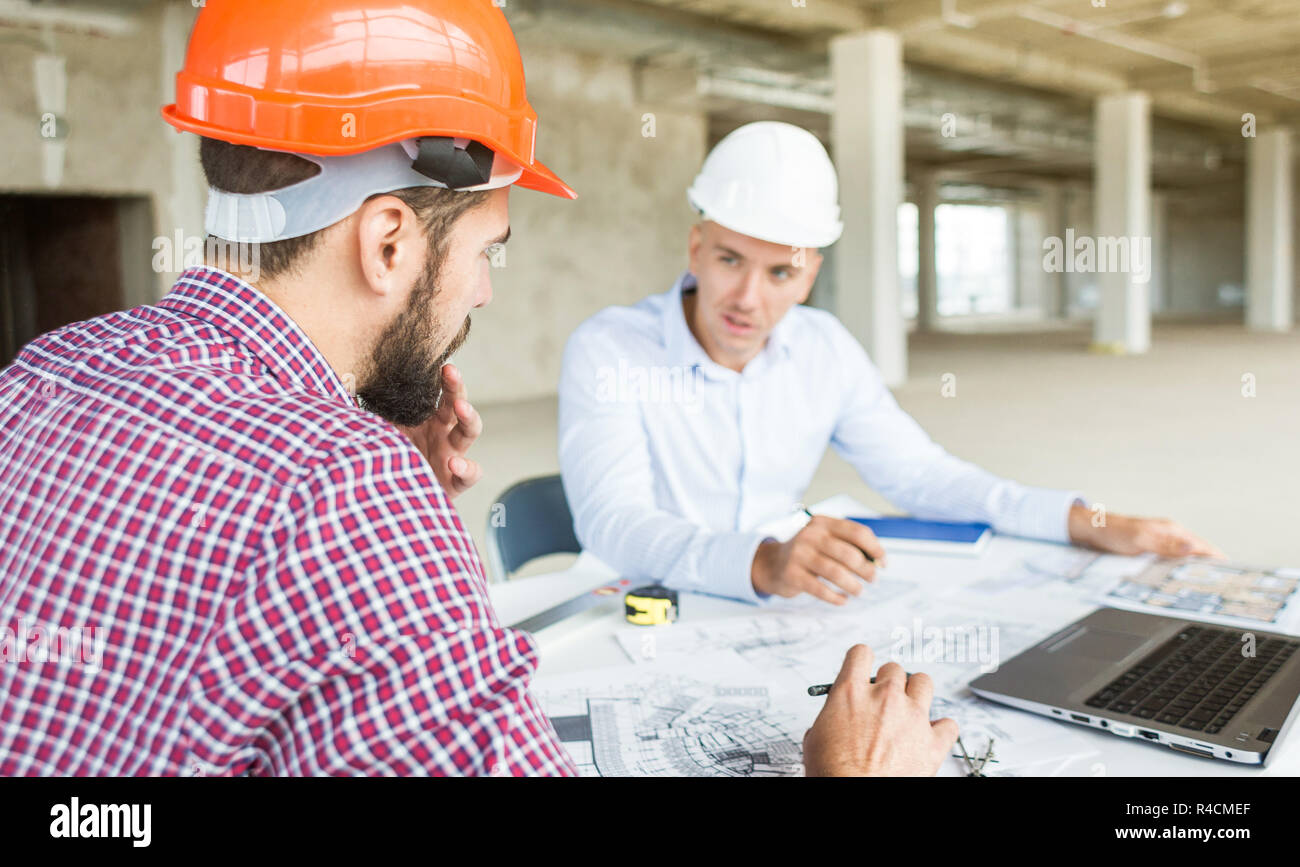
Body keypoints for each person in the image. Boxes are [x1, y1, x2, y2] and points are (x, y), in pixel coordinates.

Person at [0, 2, 949, 777]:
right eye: (488, 249)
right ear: (387, 243)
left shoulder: (41, 371)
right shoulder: (343, 490)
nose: (487, 290)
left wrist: (393, 517)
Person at [558, 120, 1222, 608]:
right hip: (637, 608)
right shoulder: (611, 348)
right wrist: (761, 560)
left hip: (778, 608)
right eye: (730, 259)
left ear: (811, 271)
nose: (748, 298)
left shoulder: (824, 350)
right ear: (696, 246)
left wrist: (1087, 520)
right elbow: (614, 520)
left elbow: (922, 474)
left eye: (780, 270)